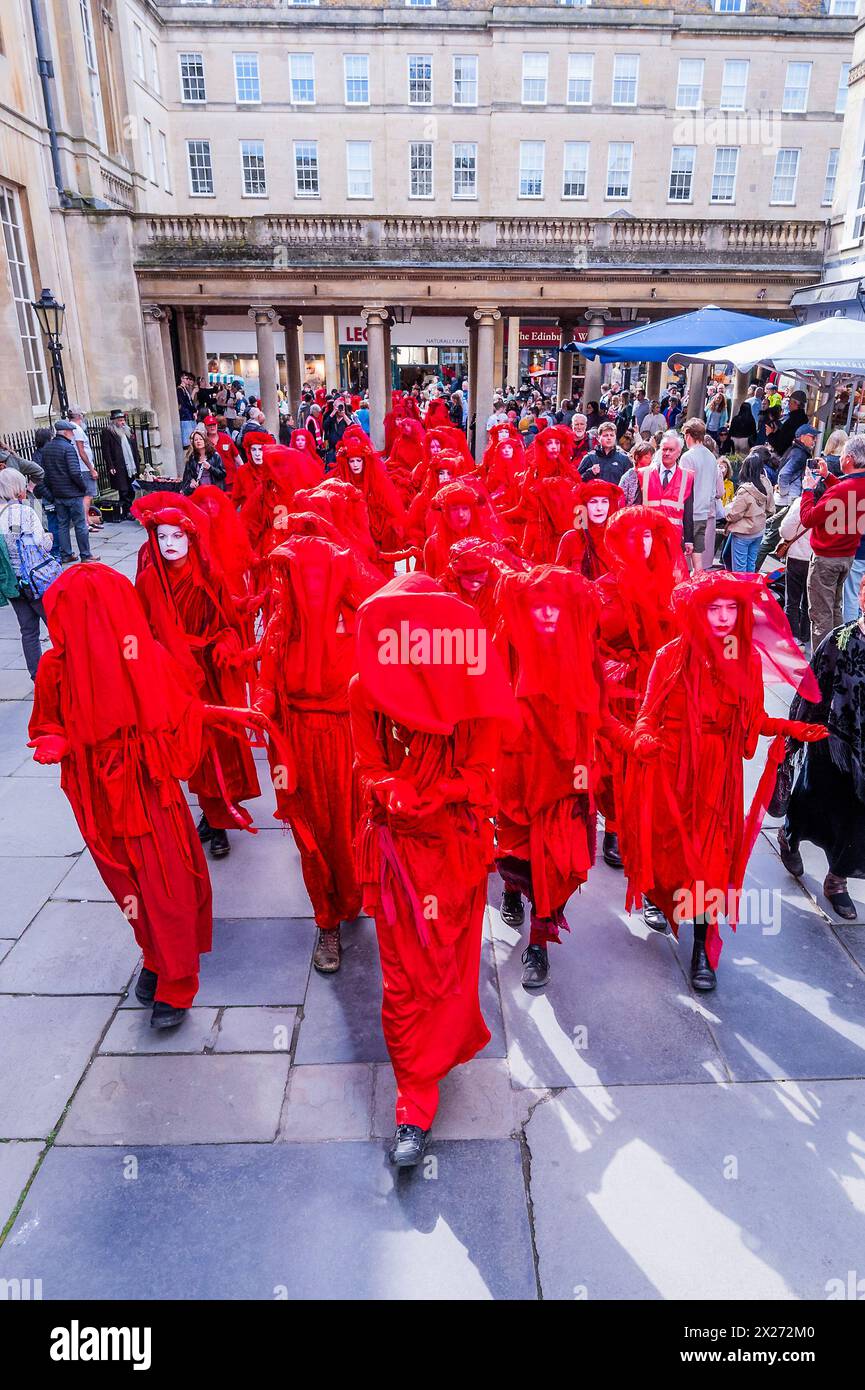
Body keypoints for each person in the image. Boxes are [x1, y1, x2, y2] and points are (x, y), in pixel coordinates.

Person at [350, 572, 517, 1167]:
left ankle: (440, 1053)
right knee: (401, 981)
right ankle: (413, 1099)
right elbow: (364, 766)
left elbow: (485, 776)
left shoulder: (471, 691)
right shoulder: (364, 689)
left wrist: (443, 789)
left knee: (448, 973)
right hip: (397, 855)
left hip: (454, 855)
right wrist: (387, 787)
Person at [27, 566, 241, 1029]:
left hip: (147, 790)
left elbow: (182, 710)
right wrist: (54, 740)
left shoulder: (147, 657)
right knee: (126, 886)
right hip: (95, 796)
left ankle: (177, 983)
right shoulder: (55, 667)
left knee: (166, 885)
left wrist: (216, 715)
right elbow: (47, 721)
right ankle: (154, 955)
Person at [621, 570, 827, 989]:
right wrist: (643, 738)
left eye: (730, 608)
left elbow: (753, 721)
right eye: (712, 608)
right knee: (669, 847)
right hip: (672, 771)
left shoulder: (747, 661)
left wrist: (789, 728)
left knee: (710, 863)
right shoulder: (669, 658)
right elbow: (647, 716)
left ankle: (702, 949)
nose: (721, 617)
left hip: (719, 779)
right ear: (696, 611)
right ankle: (659, 895)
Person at [256, 533, 381, 971]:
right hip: (301, 739)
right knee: (313, 829)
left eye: (318, 576)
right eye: (301, 575)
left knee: (356, 823)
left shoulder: (357, 615)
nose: (310, 586)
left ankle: (357, 897)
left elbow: (382, 670)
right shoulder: (282, 621)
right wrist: (261, 705)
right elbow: (268, 678)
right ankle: (326, 919)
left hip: (351, 736)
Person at [133, 494, 260, 860]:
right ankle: (212, 813)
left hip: (211, 673)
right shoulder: (147, 582)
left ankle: (218, 818)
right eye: (162, 538)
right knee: (192, 747)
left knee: (216, 746)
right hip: (172, 675)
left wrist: (223, 642)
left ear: (191, 539)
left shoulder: (211, 576)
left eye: (177, 537)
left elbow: (229, 624)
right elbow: (141, 631)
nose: (169, 544)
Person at [495, 565, 604, 991]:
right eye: (536, 605)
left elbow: (599, 709)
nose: (546, 613)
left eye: (553, 606)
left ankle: (539, 940)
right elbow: (483, 690)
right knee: (516, 846)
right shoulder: (507, 638)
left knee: (553, 856)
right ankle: (510, 888)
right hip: (518, 762)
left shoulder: (580, 644)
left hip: (563, 767)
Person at [779, 573, 865, 921]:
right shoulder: (840, 640)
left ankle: (836, 880)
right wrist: (797, 734)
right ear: (862, 596)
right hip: (831, 748)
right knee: (812, 801)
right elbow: (812, 689)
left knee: (859, 821)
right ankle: (789, 835)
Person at [799, 434, 865, 649]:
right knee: (835, 608)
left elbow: (808, 518)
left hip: (827, 558)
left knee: (821, 615)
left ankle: (822, 662)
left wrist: (808, 490)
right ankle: (837, 654)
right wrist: (828, 477)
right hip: (847, 556)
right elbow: (848, 495)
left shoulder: (842, 489)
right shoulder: (854, 486)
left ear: (849, 459)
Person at [0, 467, 53, 677]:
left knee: (28, 631)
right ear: (17, 488)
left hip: (11, 583)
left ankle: (37, 675)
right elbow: (41, 545)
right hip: (34, 580)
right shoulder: (24, 511)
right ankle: (65, 667)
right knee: (55, 624)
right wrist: (49, 538)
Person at [40, 420, 95, 565]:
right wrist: (83, 488)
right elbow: (75, 473)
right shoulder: (68, 448)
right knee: (80, 524)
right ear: (65, 432)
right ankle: (86, 555)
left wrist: (52, 492)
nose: (72, 434)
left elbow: (45, 474)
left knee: (62, 525)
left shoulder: (47, 448)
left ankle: (66, 554)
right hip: (73, 494)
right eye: (71, 431)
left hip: (58, 495)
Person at [681, 418, 722, 573]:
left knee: (686, 563)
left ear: (688, 435)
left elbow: (683, 487)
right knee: (700, 563)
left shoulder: (687, 457)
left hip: (690, 514)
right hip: (705, 512)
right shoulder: (712, 457)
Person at [724, 449, 774, 573]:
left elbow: (733, 515)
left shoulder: (745, 490)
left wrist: (726, 511)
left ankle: (741, 591)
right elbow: (770, 509)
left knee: (739, 569)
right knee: (750, 566)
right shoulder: (766, 483)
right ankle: (751, 590)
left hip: (743, 533)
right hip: (758, 531)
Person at [777, 493, 812, 644]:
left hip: (797, 556)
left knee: (792, 600)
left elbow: (786, 530)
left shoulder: (801, 502)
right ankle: (805, 635)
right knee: (808, 601)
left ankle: (794, 636)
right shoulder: (831, 501)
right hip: (817, 557)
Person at [100, 410, 140, 519]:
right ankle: (127, 511)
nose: (123, 422)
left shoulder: (128, 431)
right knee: (123, 490)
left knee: (131, 488)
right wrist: (110, 466)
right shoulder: (108, 432)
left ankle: (129, 509)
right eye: (120, 420)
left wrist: (138, 459)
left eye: (123, 420)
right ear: (114, 421)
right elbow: (106, 451)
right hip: (118, 465)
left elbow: (134, 447)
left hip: (131, 465)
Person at [67, 406, 101, 532]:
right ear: (80, 416)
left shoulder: (69, 428)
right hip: (84, 468)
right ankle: (85, 523)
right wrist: (91, 468)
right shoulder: (78, 429)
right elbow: (81, 451)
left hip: (78, 466)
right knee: (88, 495)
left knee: (85, 495)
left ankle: (88, 520)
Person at [578, 421, 631, 485]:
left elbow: (630, 484)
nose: (609, 438)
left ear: (615, 437)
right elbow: (577, 481)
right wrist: (590, 473)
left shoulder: (624, 459)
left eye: (612, 435)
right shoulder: (589, 458)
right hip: (594, 494)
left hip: (616, 494)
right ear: (598, 438)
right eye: (605, 435)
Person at [777, 423, 817, 505]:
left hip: (787, 499)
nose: (815, 440)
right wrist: (784, 492)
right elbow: (783, 474)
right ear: (802, 438)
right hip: (788, 500)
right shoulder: (799, 454)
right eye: (813, 437)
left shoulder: (796, 451)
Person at [181, 424, 226, 496]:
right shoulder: (192, 458)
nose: (198, 441)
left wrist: (210, 468)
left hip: (214, 491)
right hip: (199, 492)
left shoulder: (215, 456)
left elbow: (222, 474)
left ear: (205, 441)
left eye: (200, 439)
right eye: (196, 440)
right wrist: (191, 480)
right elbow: (187, 476)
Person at [203, 415, 242, 494]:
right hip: (213, 480)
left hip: (230, 479)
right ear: (205, 427)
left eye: (214, 425)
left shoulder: (226, 438)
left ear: (217, 425)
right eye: (209, 425)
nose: (212, 427)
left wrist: (243, 469)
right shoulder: (203, 441)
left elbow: (236, 456)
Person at [771, 389, 809, 457]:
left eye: (790, 402)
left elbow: (781, 444)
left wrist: (770, 434)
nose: (788, 404)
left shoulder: (793, 421)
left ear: (796, 404)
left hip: (785, 456)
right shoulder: (803, 419)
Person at [177, 372, 197, 447]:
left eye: (189, 379)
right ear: (182, 379)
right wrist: (193, 410)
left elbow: (190, 402)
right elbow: (185, 403)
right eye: (187, 378)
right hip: (185, 415)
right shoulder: (180, 389)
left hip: (189, 414)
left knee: (192, 435)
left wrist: (194, 410)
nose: (188, 380)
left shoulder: (185, 389)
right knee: (188, 438)